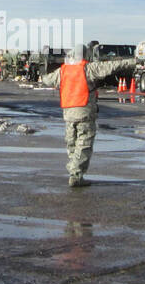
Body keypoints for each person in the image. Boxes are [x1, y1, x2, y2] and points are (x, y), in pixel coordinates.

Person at [40, 44, 137, 187]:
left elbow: (47, 80)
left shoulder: (63, 71)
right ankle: (76, 174)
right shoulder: (88, 69)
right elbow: (112, 66)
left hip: (68, 112)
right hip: (84, 110)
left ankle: (75, 172)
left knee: (72, 143)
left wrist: (43, 72)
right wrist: (133, 61)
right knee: (84, 144)